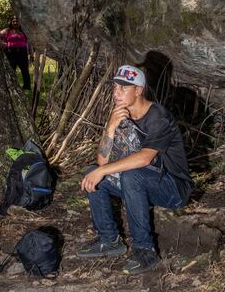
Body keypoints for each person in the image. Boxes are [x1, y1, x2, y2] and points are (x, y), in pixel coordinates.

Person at [77, 64, 193, 273]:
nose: (116, 93)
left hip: (173, 188)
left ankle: (145, 251)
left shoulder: (158, 117)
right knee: (92, 174)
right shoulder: (120, 115)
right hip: (143, 183)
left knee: (131, 175)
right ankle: (109, 240)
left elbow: (145, 158)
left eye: (123, 88)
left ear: (138, 90)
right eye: (115, 88)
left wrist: (103, 171)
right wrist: (110, 127)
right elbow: (102, 162)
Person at [0, 16, 32, 90]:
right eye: (13, 21)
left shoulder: (24, 31)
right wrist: (3, 44)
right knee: (11, 70)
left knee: (25, 70)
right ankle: (12, 87)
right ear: (11, 22)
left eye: (17, 21)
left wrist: (31, 54)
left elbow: (29, 43)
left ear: (20, 23)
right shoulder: (7, 31)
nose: (15, 23)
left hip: (22, 52)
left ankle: (27, 87)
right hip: (10, 52)